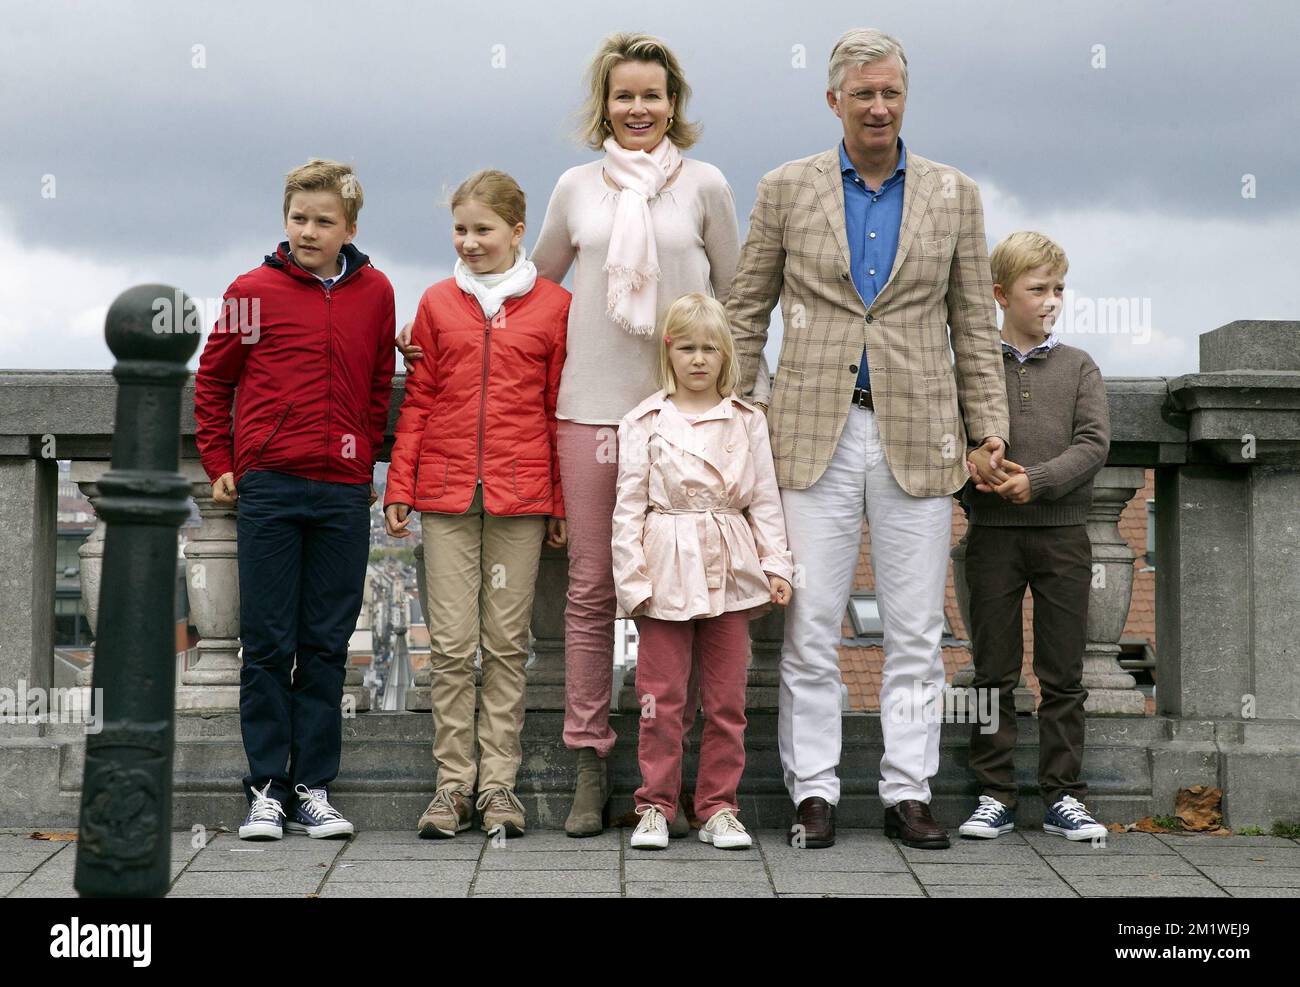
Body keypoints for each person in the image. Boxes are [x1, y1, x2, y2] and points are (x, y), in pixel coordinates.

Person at [399, 32, 772, 838]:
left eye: (653, 95)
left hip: (686, 413)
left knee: (692, 588)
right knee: (592, 588)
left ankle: (697, 785)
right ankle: (588, 758)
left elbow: (738, 300)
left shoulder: (706, 186)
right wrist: (434, 328)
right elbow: (524, 288)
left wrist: (753, 399)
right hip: (592, 413)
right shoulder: (576, 188)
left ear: (675, 103)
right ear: (603, 103)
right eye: (623, 95)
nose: (638, 109)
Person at [726, 29, 1010, 850]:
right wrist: (740, 415)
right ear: (834, 101)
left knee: (916, 630)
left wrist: (988, 431)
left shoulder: (954, 194)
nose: (879, 106)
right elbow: (747, 310)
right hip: (810, 431)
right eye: (863, 94)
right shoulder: (785, 187)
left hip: (919, 435)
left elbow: (971, 323)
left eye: (891, 92)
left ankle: (906, 793)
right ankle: (813, 793)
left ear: (904, 97)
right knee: (812, 620)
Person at [194, 158, 396, 840]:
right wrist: (222, 462)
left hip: (341, 490)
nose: (308, 231)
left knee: (327, 644)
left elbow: (376, 388)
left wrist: (364, 457)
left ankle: (313, 785)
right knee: (267, 642)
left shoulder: (377, 293)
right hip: (271, 487)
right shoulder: (251, 290)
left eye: (323, 221)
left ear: (350, 227)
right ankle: (266, 789)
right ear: (285, 220)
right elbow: (213, 382)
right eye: (298, 218)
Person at [384, 170, 569, 840]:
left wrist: (560, 500)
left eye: (482, 230)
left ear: (517, 232)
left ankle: (499, 788)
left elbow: (557, 413)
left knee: (507, 646)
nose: (469, 241)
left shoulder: (555, 306)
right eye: (460, 229)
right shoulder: (435, 304)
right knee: (456, 647)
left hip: (521, 498)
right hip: (446, 494)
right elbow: (421, 404)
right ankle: (451, 787)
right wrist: (399, 484)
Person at [612, 293, 793, 851]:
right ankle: (656, 804)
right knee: (660, 698)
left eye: (709, 348)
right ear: (670, 351)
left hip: (730, 567)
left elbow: (764, 500)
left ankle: (718, 805)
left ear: (725, 355)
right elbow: (628, 506)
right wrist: (632, 581)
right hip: (665, 563)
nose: (697, 359)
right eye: (686, 347)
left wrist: (776, 564)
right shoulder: (643, 420)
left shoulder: (746, 421)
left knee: (726, 699)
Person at [956, 231, 1110, 842]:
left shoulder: (1078, 366)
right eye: (1037, 288)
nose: (1051, 299)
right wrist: (976, 465)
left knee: (1063, 670)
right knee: (992, 671)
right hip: (991, 537)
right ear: (1000, 294)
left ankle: (1064, 795)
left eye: (1059, 288)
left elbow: (1094, 444)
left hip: (1063, 536)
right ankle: (993, 792)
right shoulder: (972, 368)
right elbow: (951, 441)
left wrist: (1037, 482)